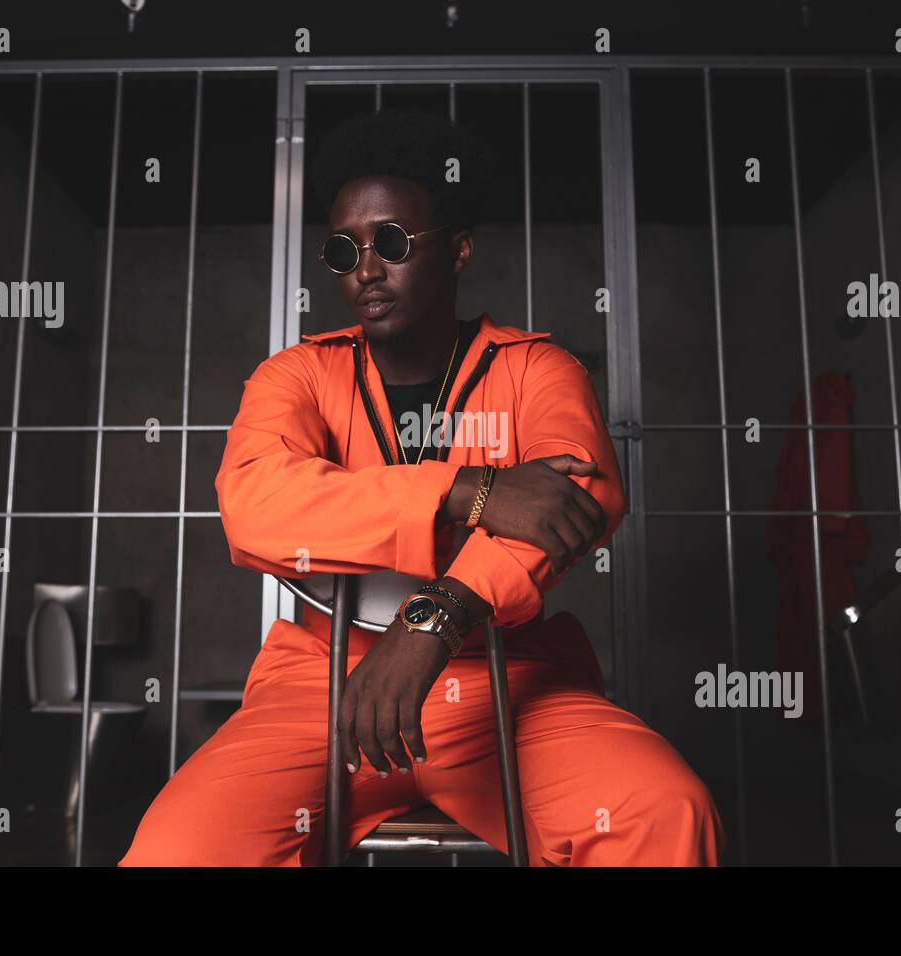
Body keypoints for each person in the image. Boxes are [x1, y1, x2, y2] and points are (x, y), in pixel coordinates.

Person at [119, 109, 723, 866]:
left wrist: (433, 619)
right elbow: (256, 504)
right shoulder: (297, 374)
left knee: (665, 812)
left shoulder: (537, 369)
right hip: (322, 684)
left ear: (459, 250)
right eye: (344, 250)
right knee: (175, 851)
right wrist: (468, 489)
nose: (366, 269)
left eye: (394, 242)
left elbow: (578, 500)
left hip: (510, 679)